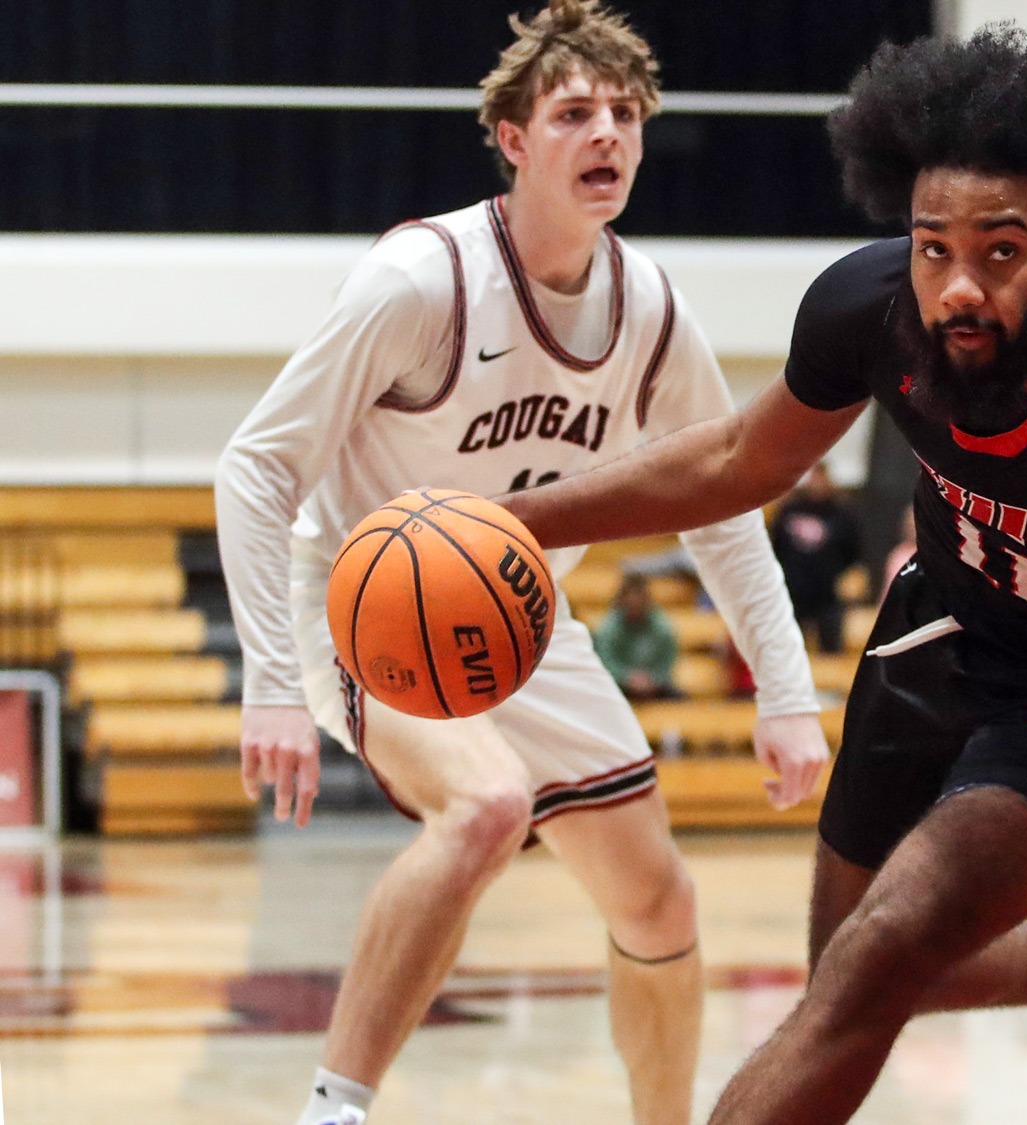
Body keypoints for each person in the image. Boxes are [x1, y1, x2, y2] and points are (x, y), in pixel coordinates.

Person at [499, 28, 1027, 1122]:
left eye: (1000, 250)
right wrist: (508, 522)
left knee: (877, 958)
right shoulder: (869, 310)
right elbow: (738, 459)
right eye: (931, 247)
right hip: (939, 630)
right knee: (847, 969)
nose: (957, 286)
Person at [214, 5, 829, 1123]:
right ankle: (333, 1110)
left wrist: (785, 690)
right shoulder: (420, 279)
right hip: (363, 601)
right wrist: (271, 684)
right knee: (491, 804)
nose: (606, 133)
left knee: (656, 901)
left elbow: (725, 498)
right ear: (513, 138)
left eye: (624, 114)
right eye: (574, 113)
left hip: (512, 613)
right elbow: (255, 466)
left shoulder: (647, 309)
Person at [770, 463, 863, 653]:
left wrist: (835, 572)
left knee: (830, 650)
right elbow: (776, 546)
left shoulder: (841, 514)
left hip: (827, 593)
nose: (817, 483)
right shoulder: (789, 510)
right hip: (793, 591)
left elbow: (853, 550)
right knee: (790, 648)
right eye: (813, 478)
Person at [595, 573, 684, 700]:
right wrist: (626, 678)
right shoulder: (608, 629)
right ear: (622, 600)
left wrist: (654, 679)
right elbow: (605, 660)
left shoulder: (662, 626)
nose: (635, 605)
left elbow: (668, 659)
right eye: (631, 603)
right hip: (618, 686)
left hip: (655, 686)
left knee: (679, 698)